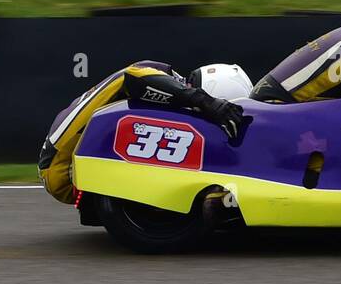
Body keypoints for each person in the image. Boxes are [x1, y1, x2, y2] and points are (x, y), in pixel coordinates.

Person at [38, 61, 247, 205]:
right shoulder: (155, 72)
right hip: (62, 168)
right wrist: (205, 102)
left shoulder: (168, 88)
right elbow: (132, 76)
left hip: (68, 164)